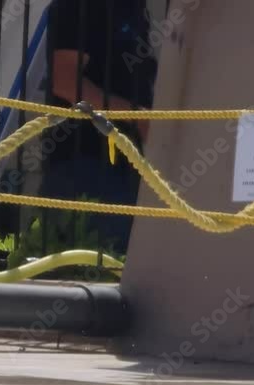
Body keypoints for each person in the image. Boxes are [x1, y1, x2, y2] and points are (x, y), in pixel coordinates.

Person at [43, 0, 158, 254]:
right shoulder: (79, 7)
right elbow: (65, 83)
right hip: (84, 165)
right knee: (89, 272)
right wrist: (138, 117)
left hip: (126, 167)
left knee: (118, 270)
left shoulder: (134, 9)